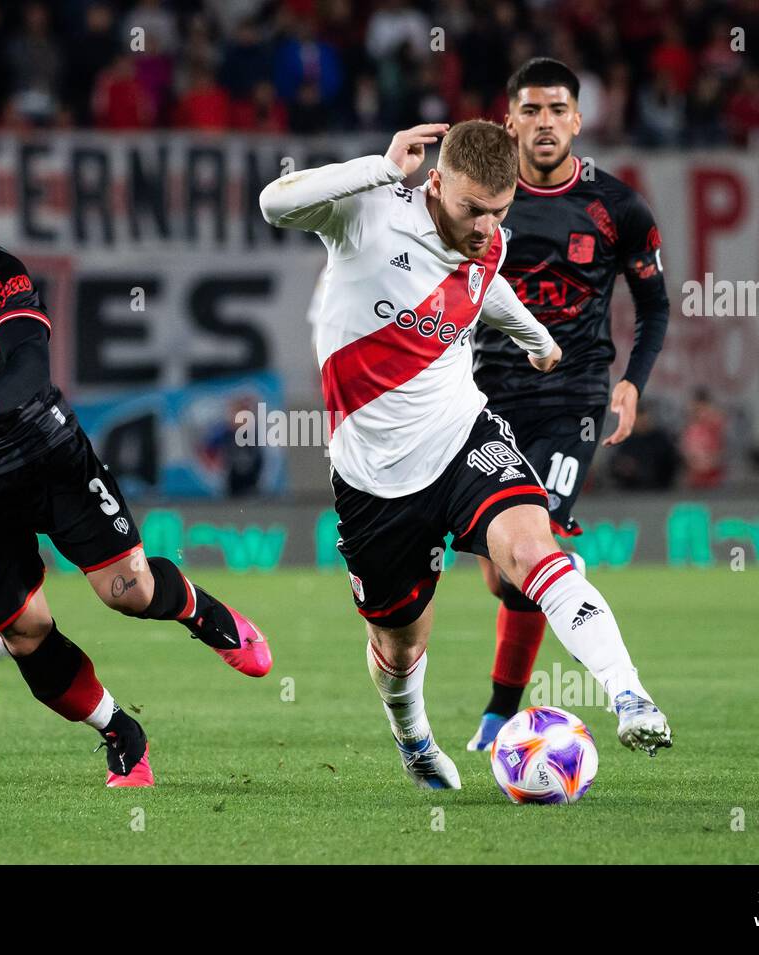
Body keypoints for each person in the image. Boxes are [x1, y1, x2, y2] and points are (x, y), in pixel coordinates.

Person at [0, 152, 272, 788]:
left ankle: (199, 611)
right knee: (25, 634)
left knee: (128, 591)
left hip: (41, 451)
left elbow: (31, 360)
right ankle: (120, 731)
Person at [260, 120, 671, 790]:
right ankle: (414, 737)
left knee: (535, 551)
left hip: (462, 437)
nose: (485, 227)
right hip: (373, 476)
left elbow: (486, 285)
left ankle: (630, 696)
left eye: (499, 211)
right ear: (436, 181)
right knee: (400, 646)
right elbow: (273, 203)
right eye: (471, 209)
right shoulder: (369, 212)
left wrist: (536, 338)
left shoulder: (491, 237)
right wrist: (376, 164)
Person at [467, 58, 671, 749]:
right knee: (503, 577)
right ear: (509, 122)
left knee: (536, 546)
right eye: (531, 110)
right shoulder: (482, 202)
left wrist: (632, 380)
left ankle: (520, 711)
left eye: (558, 110)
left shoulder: (618, 208)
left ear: (578, 120)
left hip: (574, 397)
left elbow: (654, 303)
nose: (545, 122)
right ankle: (503, 702)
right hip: (486, 402)